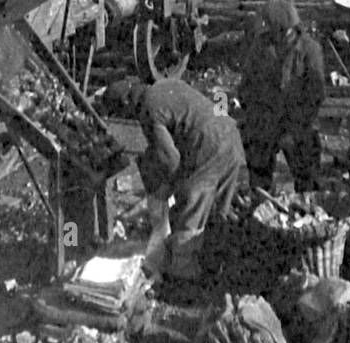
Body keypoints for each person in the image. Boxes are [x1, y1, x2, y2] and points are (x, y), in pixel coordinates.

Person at [103, 77, 245, 281]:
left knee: (189, 212)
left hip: (210, 147)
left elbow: (171, 160)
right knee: (218, 212)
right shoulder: (166, 84)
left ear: (127, 103)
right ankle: (217, 268)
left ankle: (182, 280)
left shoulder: (148, 110)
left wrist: (162, 192)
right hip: (230, 136)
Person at [238, 0, 327, 193]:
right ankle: (261, 205)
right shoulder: (260, 47)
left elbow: (315, 96)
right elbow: (246, 87)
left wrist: (293, 130)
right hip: (265, 120)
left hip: (298, 122)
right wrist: (256, 117)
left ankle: (307, 207)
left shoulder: (310, 50)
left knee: (308, 175)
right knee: (258, 170)